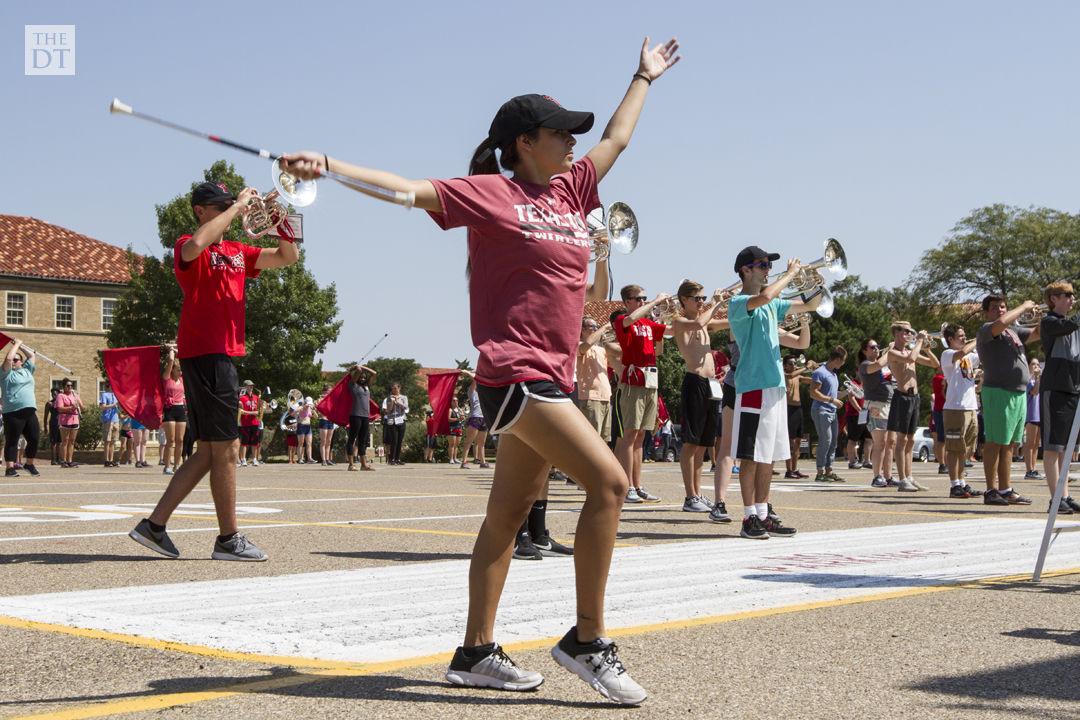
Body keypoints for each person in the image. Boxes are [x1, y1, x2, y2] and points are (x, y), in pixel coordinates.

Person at [280, 38, 680, 702]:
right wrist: (330, 165)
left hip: (549, 375)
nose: (573, 143)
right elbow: (408, 191)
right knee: (609, 486)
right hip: (514, 374)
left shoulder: (574, 190)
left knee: (507, 513)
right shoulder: (491, 193)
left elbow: (617, 137)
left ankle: (474, 651)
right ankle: (586, 640)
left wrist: (643, 76)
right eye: (560, 133)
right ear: (525, 142)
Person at [128, 179, 299, 562]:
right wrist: (237, 208)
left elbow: (288, 258)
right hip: (206, 352)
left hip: (222, 355)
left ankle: (153, 527)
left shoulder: (238, 250)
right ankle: (228, 539)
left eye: (228, 205)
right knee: (226, 449)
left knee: (209, 451)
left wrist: (279, 222)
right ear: (201, 210)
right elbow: (194, 246)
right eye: (219, 206)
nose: (226, 210)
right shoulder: (189, 245)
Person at [727, 246, 820, 540]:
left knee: (768, 457)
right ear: (745, 270)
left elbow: (810, 309)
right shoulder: (738, 302)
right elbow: (766, 296)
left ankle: (764, 514)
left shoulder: (772, 305)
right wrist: (792, 274)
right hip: (753, 386)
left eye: (769, 265)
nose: (768, 269)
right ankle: (748, 517)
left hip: (775, 387)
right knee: (750, 456)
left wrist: (812, 284)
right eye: (762, 264)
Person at [975, 295, 1040, 506]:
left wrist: (1041, 318)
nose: (1000, 310)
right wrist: (1024, 306)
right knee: (994, 443)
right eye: (995, 308)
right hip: (998, 392)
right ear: (987, 312)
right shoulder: (987, 329)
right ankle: (990, 490)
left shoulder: (1013, 332)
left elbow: (1039, 334)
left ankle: (1005, 489)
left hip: (1018, 393)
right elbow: (1000, 323)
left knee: (1009, 444)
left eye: (1003, 307)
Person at [670, 280, 727, 512]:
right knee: (691, 443)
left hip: (711, 384)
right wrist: (717, 303)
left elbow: (726, 322)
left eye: (703, 298)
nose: (701, 302)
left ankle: (698, 493)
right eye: (697, 298)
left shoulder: (705, 322)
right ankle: (689, 496)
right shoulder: (680, 321)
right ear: (684, 300)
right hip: (694, 383)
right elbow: (700, 322)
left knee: (704, 444)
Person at [613, 285, 669, 504]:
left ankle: (637, 484)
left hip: (650, 380)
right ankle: (627, 486)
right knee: (629, 435)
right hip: (633, 382)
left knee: (641, 436)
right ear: (627, 302)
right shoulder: (623, 321)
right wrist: (654, 302)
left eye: (645, 298)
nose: (643, 302)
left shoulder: (646, 323)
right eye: (639, 299)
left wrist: (662, 314)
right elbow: (629, 320)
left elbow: (660, 348)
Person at [1038, 282, 1080, 515]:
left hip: (1073, 389)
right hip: (1055, 389)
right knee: (1053, 447)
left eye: (1073, 295)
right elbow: (1068, 325)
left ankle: (1065, 496)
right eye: (1067, 295)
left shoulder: (1072, 326)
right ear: (1053, 299)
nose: (1071, 299)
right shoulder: (1049, 322)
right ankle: (1055, 499)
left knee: (1066, 448)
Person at [885, 321, 939, 492]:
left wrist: (927, 349)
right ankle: (901, 479)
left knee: (910, 440)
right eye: (906, 331)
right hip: (901, 397)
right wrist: (920, 342)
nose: (909, 334)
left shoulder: (911, 350)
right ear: (896, 332)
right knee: (901, 440)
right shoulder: (892, 352)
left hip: (914, 397)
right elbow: (910, 359)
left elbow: (934, 364)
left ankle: (909, 476)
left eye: (910, 331)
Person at [939, 324, 983, 499]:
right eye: (961, 336)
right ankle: (954, 485)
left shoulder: (970, 357)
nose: (965, 338)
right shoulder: (947, 354)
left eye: (965, 335)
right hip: (955, 408)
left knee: (966, 450)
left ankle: (962, 482)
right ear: (951, 339)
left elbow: (980, 355)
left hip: (971, 407)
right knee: (954, 448)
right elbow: (961, 353)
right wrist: (978, 338)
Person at [859, 337, 897, 488]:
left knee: (890, 443)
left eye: (877, 347)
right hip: (876, 405)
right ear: (864, 351)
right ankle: (877, 476)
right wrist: (891, 350)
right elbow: (878, 364)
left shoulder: (883, 362)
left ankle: (888, 476)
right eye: (872, 347)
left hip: (889, 403)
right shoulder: (865, 365)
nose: (876, 349)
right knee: (880, 443)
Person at [1, 339, 41, 477]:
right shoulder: (6, 374)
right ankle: (10, 468)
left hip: (29, 411)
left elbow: (31, 356)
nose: (13, 361)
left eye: (17, 360)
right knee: (12, 440)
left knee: (35, 438)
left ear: (21, 362)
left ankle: (29, 464)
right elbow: (8, 358)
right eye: (13, 360)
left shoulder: (27, 370)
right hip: (13, 412)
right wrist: (16, 345)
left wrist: (21, 345)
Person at [809, 346, 849, 482]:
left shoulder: (833, 374)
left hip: (832, 411)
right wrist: (832, 400)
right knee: (825, 441)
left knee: (833, 442)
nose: (843, 363)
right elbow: (813, 393)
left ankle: (829, 471)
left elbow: (834, 394)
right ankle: (820, 472)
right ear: (837, 359)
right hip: (821, 410)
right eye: (842, 361)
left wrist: (847, 392)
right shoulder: (820, 372)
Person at [576, 318, 613, 445]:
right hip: (590, 397)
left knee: (604, 441)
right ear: (582, 329)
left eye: (597, 326)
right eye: (592, 327)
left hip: (606, 397)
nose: (596, 329)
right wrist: (605, 327)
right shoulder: (578, 344)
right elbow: (584, 346)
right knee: (592, 441)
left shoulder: (601, 349)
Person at [783, 355, 814, 479]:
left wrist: (816, 370)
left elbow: (810, 380)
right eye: (790, 364)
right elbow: (791, 375)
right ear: (785, 365)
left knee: (798, 441)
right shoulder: (784, 375)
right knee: (789, 442)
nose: (793, 365)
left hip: (798, 409)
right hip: (788, 409)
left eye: (794, 363)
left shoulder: (798, 376)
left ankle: (795, 469)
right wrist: (806, 367)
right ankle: (788, 470)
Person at [161, 345, 187, 475]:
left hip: (180, 409)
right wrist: (171, 349)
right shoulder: (167, 378)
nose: (180, 372)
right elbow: (171, 361)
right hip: (170, 410)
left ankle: (177, 466)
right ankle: (167, 466)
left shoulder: (182, 380)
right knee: (170, 440)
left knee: (180, 440)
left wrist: (179, 351)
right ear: (173, 370)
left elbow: (186, 361)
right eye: (178, 370)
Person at [346, 365, 377, 472]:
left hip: (365, 416)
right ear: (356, 377)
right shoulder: (352, 385)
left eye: (364, 377)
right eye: (361, 377)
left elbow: (374, 373)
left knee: (363, 441)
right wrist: (356, 367)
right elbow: (358, 371)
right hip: (355, 415)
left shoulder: (366, 387)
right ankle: (351, 464)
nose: (363, 378)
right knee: (352, 439)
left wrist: (364, 367)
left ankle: (363, 465)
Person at [459, 371, 490, 470]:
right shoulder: (471, 391)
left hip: (483, 418)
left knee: (482, 443)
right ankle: (464, 462)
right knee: (469, 441)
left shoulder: (483, 393)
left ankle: (483, 462)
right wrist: (470, 373)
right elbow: (476, 381)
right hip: (475, 418)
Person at [844, 374, 871, 469]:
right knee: (853, 439)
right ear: (856, 371)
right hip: (854, 415)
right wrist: (860, 410)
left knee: (869, 438)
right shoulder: (853, 384)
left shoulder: (866, 384)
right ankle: (852, 462)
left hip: (865, 414)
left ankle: (867, 461)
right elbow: (851, 398)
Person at [54, 379, 83, 468]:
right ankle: (63, 461)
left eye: (71, 385)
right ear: (64, 386)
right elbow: (59, 408)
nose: (70, 387)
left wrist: (78, 404)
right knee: (65, 441)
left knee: (72, 441)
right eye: (68, 385)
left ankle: (70, 460)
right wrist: (71, 407)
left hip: (74, 419)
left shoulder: (75, 395)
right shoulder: (60, 396)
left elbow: (83, 407)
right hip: (65, 419)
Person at [1023, 358, 1043, 480]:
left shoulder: (1038, 379)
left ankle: (1033, 468)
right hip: (1030, 414)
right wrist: (1037, 378)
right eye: (1033, 364)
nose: (1036, 366)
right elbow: (1035, 392)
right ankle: (1028, 469)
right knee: (1030, 443)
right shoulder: (1028, 380)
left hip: (1039, 414)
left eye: (1037, 364)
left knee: (1036, 444)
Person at [382, 383, 409, 466]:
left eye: (395, 388)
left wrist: (398, 402)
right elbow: (386, 411)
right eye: (393, 388)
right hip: (392, 421)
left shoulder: (404, 397)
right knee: (394, 440)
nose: (394, 390)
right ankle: (391, 459)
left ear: (399, 388)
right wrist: (392, 403)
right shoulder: (387, 399)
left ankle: (398, 458)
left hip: (401, 420)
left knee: (400, 441)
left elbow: (406, 407)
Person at [238, 380, 260, 466]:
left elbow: (259, 408)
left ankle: (254, 459)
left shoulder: (256, 397)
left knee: (255, 442)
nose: (251, 387)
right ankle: (243, 459)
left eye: (252, 386)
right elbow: (241, 411)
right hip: (245, 423)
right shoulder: (241, 398)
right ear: (245, 387)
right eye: (249, 386)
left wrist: (263, 408)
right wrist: (252, 413)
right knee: (244, 442)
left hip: (255, 422)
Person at [99, 381, 120, 467]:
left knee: (113, 441)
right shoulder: (104, 395)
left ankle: (111, 460)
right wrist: (112, 405)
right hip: (108, 420)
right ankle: (106, 460)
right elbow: (102, 407)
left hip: (115, 419)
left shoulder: (116, 395)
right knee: (107, 441)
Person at [930, 367, 947, 474]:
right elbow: (943, 393)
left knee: (949, 439)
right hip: (940, 410)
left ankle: (950, 464)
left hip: (948, 410)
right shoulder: (937, 378)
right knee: (941, 439)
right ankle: (942, 464)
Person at [317, 385, 337, 466]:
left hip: (330, 421)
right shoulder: (320, 399)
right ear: (325, 391)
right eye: (329, 390)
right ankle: (323, 460)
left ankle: (328, 459)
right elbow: (318, 411)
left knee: (329, 441)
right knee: (323, 441)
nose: (331, 392)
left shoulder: (331, 400)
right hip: (323, 420)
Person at [43, 387, 61, 466]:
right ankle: (53, 460)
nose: (54, 395)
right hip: (53, 423)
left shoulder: (61, 403)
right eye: (53, 394)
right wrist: (45, 427)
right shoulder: (49, 403)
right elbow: (45, 416)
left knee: (59, 442)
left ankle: (58, 459)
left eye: (56, 394)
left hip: (60, 423)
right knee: (53, 442)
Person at [297, 396, 316, 464]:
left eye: (310, 403)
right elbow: (296, 411)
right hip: (301, 425)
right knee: (301, 443)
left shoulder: (310, 408)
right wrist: (303, 406)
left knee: (309, 443)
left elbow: (315, 416)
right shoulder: (301, 407)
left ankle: (309, 458)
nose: (309, 405)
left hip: (308, 426)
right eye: (308, 403)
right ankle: (300, 459)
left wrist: (313, 409)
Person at [447, 395, 464, 464]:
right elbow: (448, 419)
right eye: (454, 400)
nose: (455, 402)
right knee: (452, 444)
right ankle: (451, 459)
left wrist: (462, 416)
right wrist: (457, 419)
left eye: (456, 400)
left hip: (459, 427)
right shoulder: (450, 409)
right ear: (451, 402)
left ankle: (455, 458)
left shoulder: (459, 409)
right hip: (452, 427)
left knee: (457, 444)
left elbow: (463, 417)